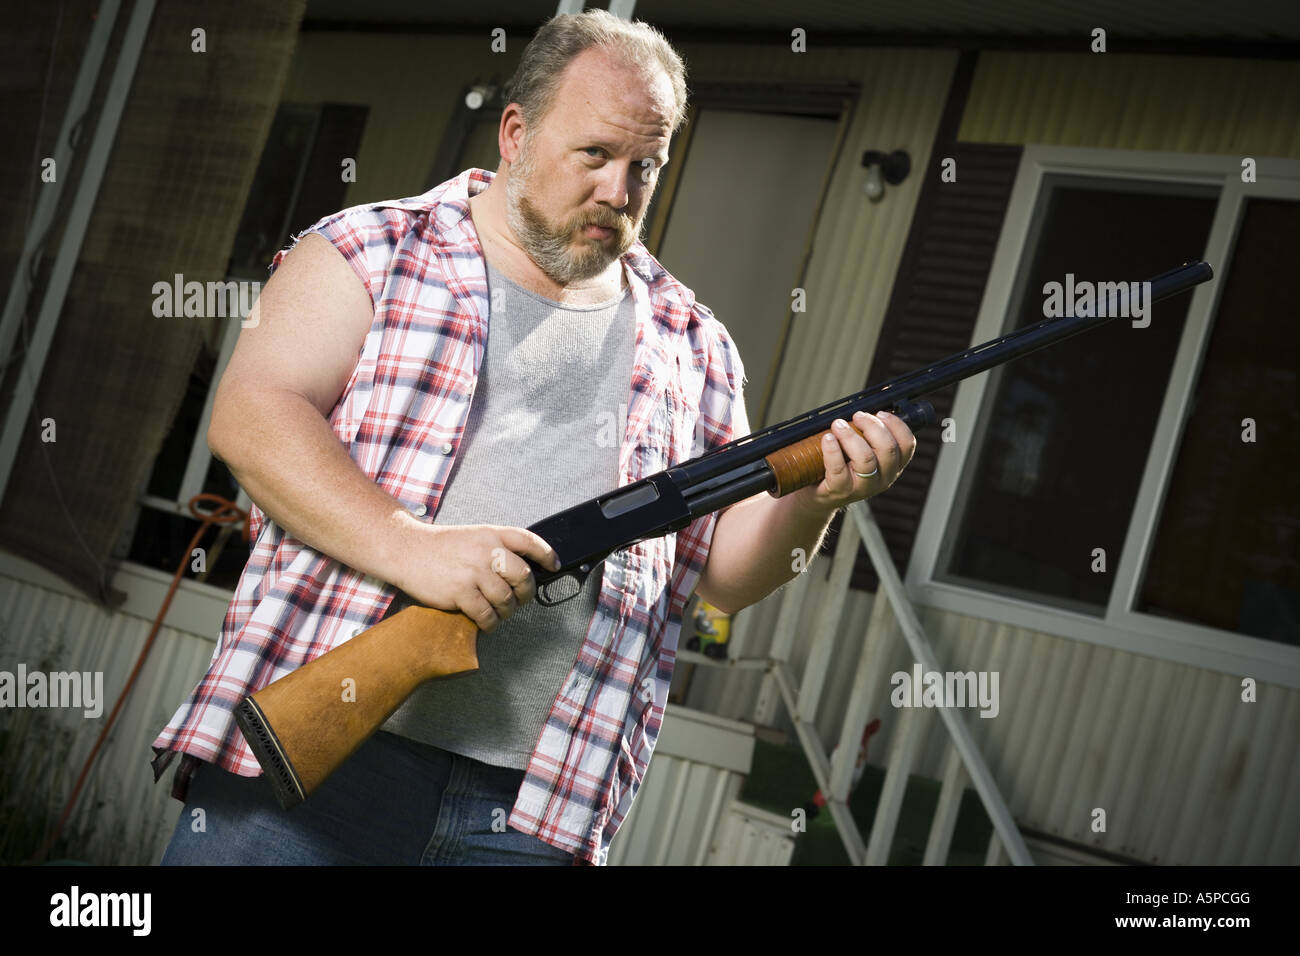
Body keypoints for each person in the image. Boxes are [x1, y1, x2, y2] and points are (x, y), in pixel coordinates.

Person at [150, 9, 915, 866]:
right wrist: (413, 550)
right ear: (517, 132)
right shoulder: (373, 248)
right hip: (320, 767)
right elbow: (252, 416)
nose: (619, 192)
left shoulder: (692, 341)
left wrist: (819, 497)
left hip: (534, 809)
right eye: (595, 154)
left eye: (646, 168)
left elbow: (725, 578)